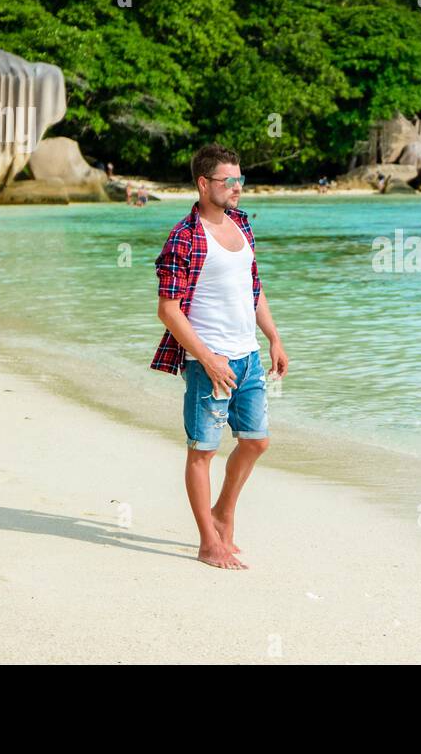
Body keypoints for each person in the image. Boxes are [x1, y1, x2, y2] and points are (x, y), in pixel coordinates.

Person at [150, 144, 289, 570]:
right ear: (203, 183)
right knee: (202, 451)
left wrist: (274, 337)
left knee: (256, 441)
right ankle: (209, 542)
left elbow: (253, 287)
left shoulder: (241, 224)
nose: (237, 188)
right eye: (229, 181)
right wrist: (207, 359)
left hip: (247, 357)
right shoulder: (185, 237)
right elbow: (168, 309)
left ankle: (223, 512)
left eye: (240, 179)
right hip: (210, 363)